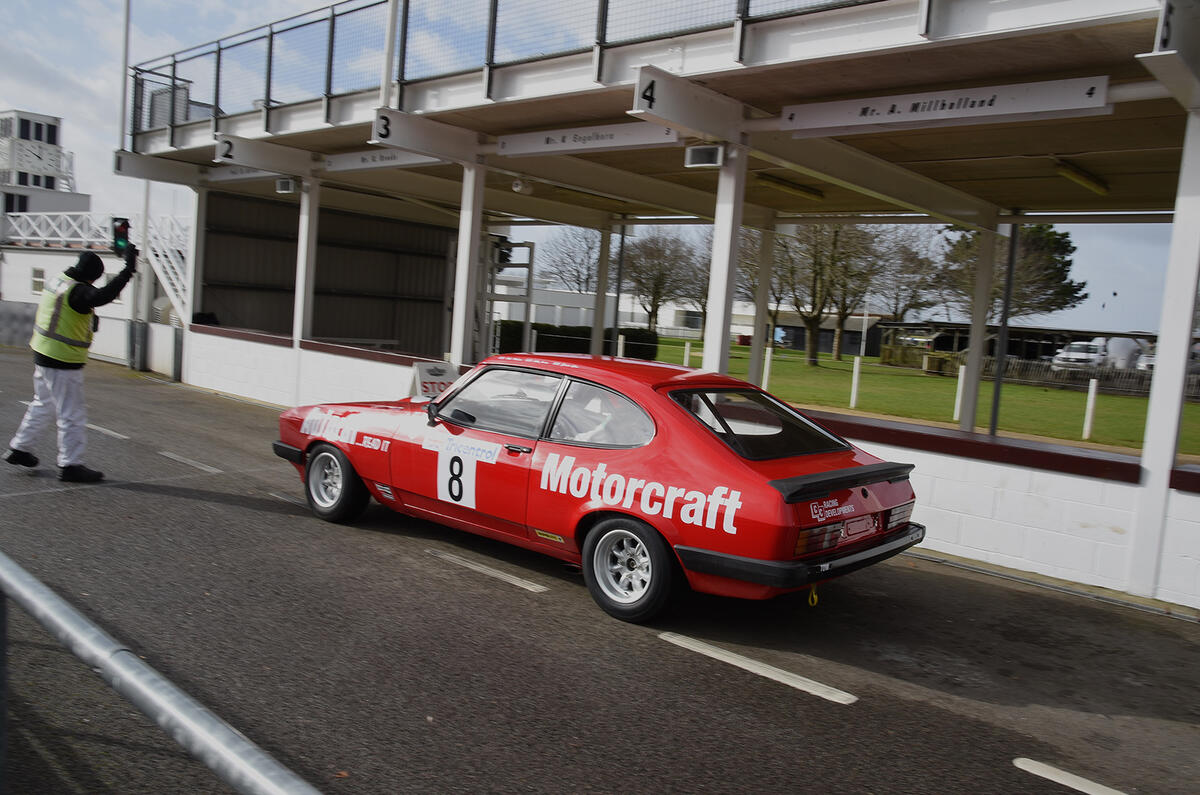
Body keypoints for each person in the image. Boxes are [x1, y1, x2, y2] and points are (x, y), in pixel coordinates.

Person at [4, 246, 138, 482]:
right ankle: (70, 465)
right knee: (72, 413)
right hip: (62, 360)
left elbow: (71, 309)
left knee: (43, 404)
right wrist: (128, 269)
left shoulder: (60, 280)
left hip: (44, 354)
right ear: (92, 276)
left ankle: (20, 448)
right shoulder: (78, 292)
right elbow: (102, 296)